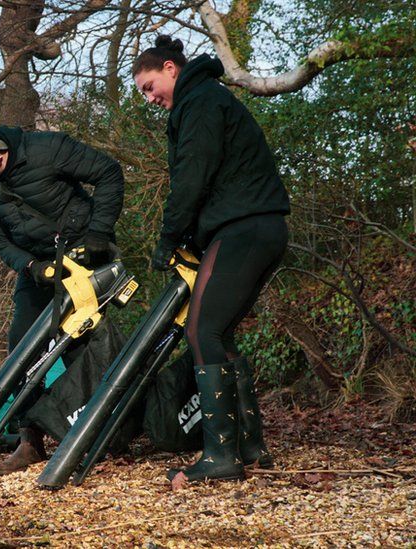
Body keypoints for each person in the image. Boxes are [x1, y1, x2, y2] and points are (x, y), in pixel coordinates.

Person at [132, 36, 290, 486]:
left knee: (201, 331)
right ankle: (251, 446)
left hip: (245, 228)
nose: (149, 97)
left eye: (149, 86)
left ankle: (221, 455)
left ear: (170, 68)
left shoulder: (199, 101)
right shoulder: (204, 99)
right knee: (218, 333)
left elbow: (192, 174)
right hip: (257, 227)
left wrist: (169, 236)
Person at [0, 124, 125, 474]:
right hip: (39, 269)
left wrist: (99, 233)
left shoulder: (49, 149)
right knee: (20, 350)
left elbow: (109, 172)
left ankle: (104, 433)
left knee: (86, 346)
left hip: (84, 255)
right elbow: (0, 242)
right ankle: (29, 441)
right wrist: (31, 266)